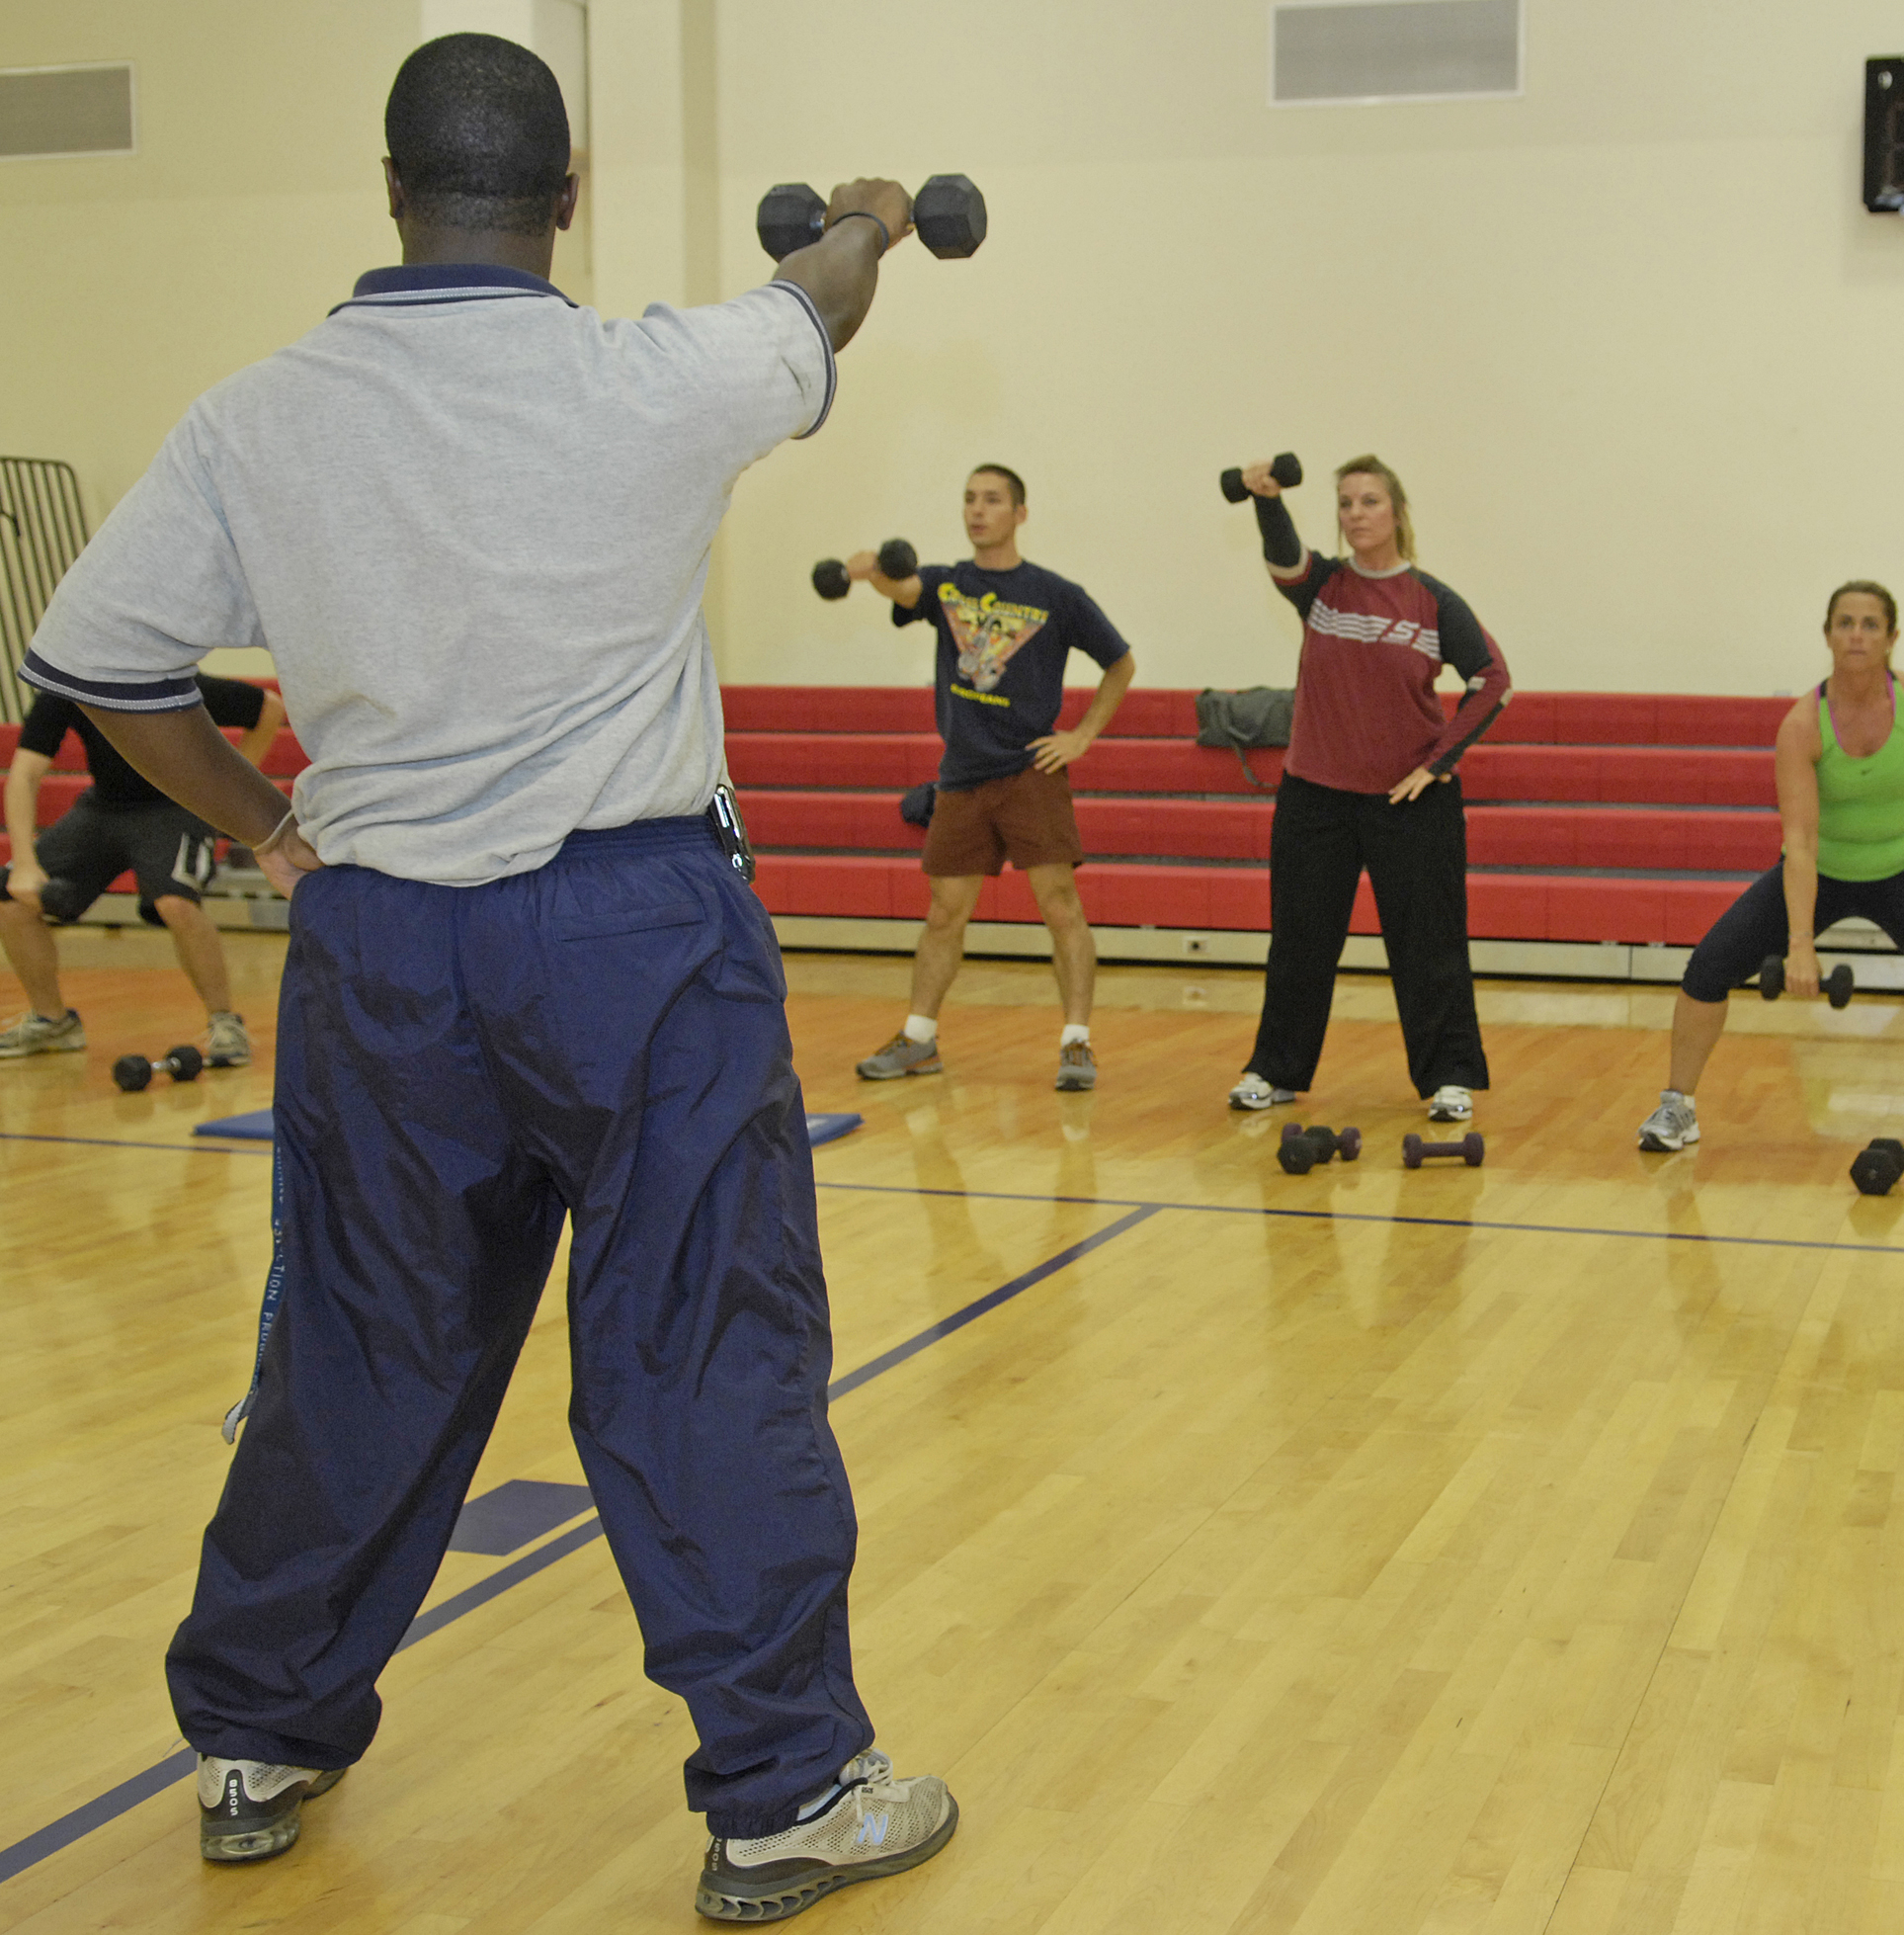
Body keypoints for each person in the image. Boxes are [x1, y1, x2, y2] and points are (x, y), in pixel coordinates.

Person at [18, 35, 953, 1919]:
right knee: (701, 1340)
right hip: (635, 938)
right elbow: (818, 302)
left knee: (356, 1339)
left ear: (388, 192)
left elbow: (97, 658)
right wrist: (870, 214)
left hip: (379, 944)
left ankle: (262, 1725)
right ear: (571, 191)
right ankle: (783, 1790)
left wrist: (265, 818)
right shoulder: (655, 375)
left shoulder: (253, 416)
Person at [1636, 580, 1904, 1166]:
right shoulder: (1802, 724)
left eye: (1871, 624)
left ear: (1892, 638)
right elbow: (1797, 840)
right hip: (1820, 871)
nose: (1857, 635)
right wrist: (1800, 943)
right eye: (1845, 623)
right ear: (1827, 635)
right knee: (1708, 968)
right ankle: (1677, 1106)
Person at [1227, 454, 1512, 1122]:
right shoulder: (1320, 586)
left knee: (1428, 942)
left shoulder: (1433, 600)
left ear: (1397, 513)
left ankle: (1449, 1077)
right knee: (1301, 938)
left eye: (1370, 502)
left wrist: (1437, 763)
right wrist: (1267, 498)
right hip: (1314, 794)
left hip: (1409, 801)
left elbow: (1490, 680)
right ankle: (1276, 1070)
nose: (1356, 514)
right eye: (1347, 504)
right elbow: (1284, 553)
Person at [846, 464, 1135, 1091]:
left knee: (1059, 907)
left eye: (993, 500)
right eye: (970, 499)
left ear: (1019, 514)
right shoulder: (947, 586)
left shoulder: (1056, 595)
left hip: (1031, 771)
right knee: (945, 913)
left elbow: (1120, 661)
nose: (978, 510)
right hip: (962, 776)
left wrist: (1082, 736)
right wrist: (871, 569)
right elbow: (902, 588)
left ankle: (1077, 1044)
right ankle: (919, 1040)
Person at [2, 673, 284, 1065]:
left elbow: (268, 708)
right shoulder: (70, 684)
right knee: (9, 898)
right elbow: (25, 774)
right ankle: (53, 1020)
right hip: (104, 808)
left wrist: (223, 792)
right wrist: (25, 865)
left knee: (175, 904)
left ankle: (224, 1021)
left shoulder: (167, 678)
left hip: (174, 808)